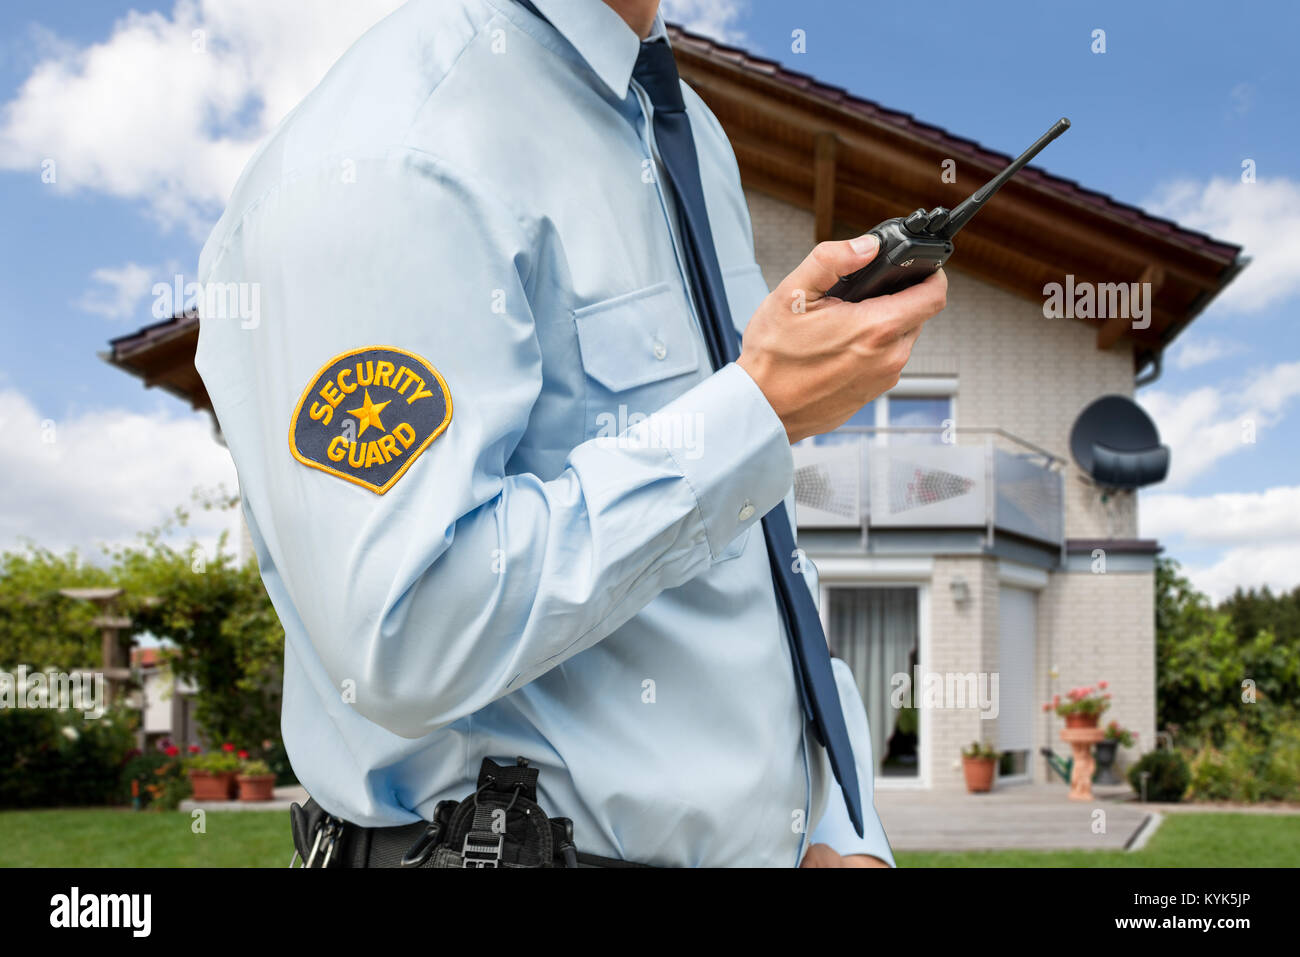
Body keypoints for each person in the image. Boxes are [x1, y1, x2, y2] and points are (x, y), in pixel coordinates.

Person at [195, 0, 946, 867]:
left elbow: (755, 559)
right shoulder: (388, 151)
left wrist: (839, 829)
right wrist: (755, 415)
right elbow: (408, 632)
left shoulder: (688, 131)